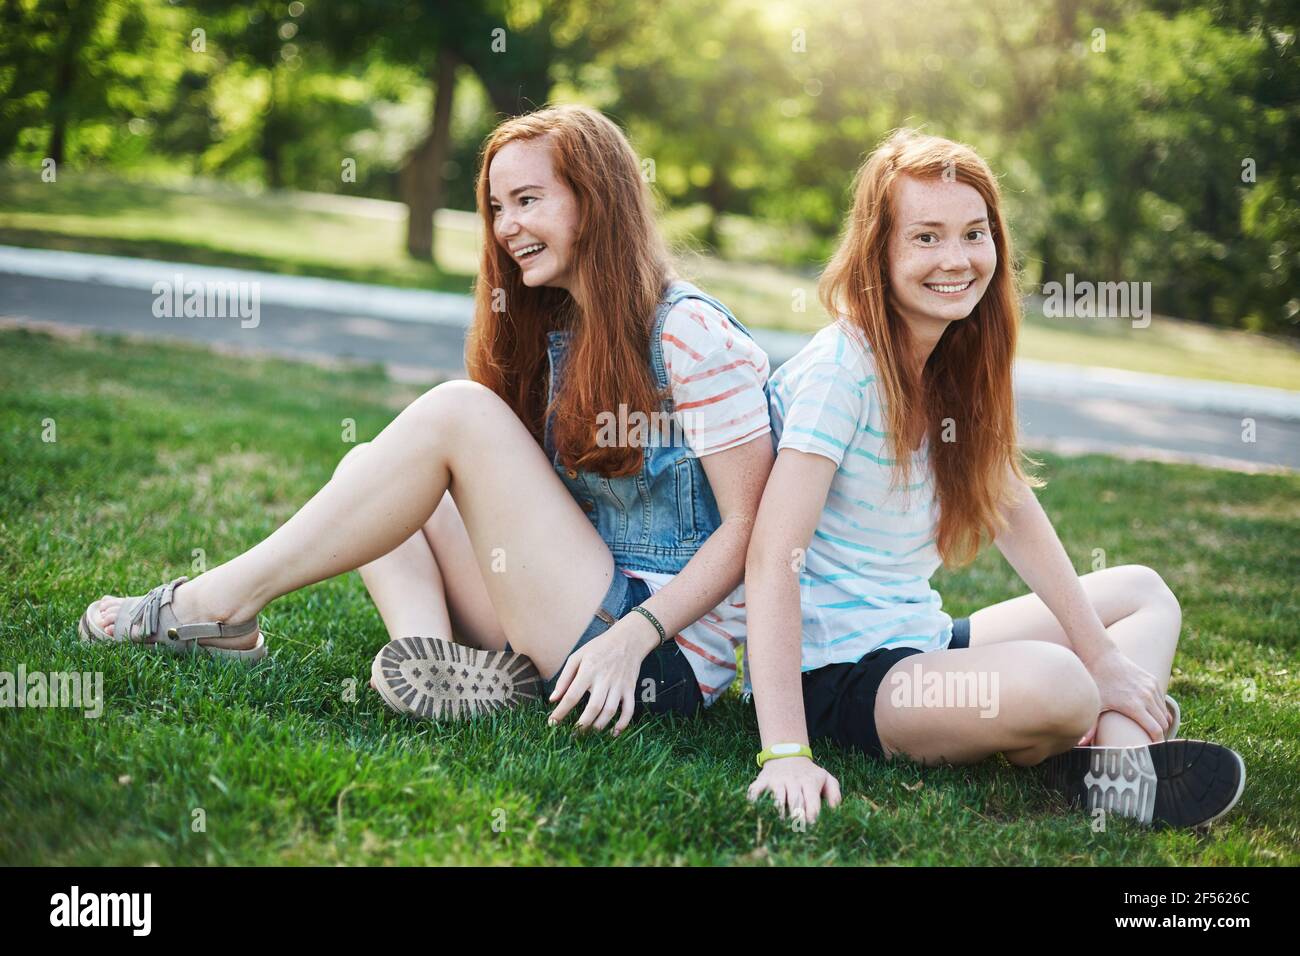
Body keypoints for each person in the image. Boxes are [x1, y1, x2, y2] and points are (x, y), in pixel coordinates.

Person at [80, 105, 774, 736]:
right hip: (572, 611)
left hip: (651, 664)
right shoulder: (559, 326)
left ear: (596, 202)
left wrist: (635, 636)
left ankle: (216, 603)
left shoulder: (691, 335)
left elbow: (749, 531)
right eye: (498, 208)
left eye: (528, 201)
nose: (506, 228)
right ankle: (434, 665)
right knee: (368, 471)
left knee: (459, 412)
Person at [742, 129, 1245, 829]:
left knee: (1141, 594)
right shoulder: (842, 372)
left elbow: (1010, 508)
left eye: (973, 233)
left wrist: (1103, 652)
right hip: (840, 678)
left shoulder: (953, 359)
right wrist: (787, 751)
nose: (956, 259)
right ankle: (1106, 743)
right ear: (878, 250)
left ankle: (1121, 767)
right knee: (1061, 684)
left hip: (919, 639)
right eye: (926, 237)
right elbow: (771, 560)